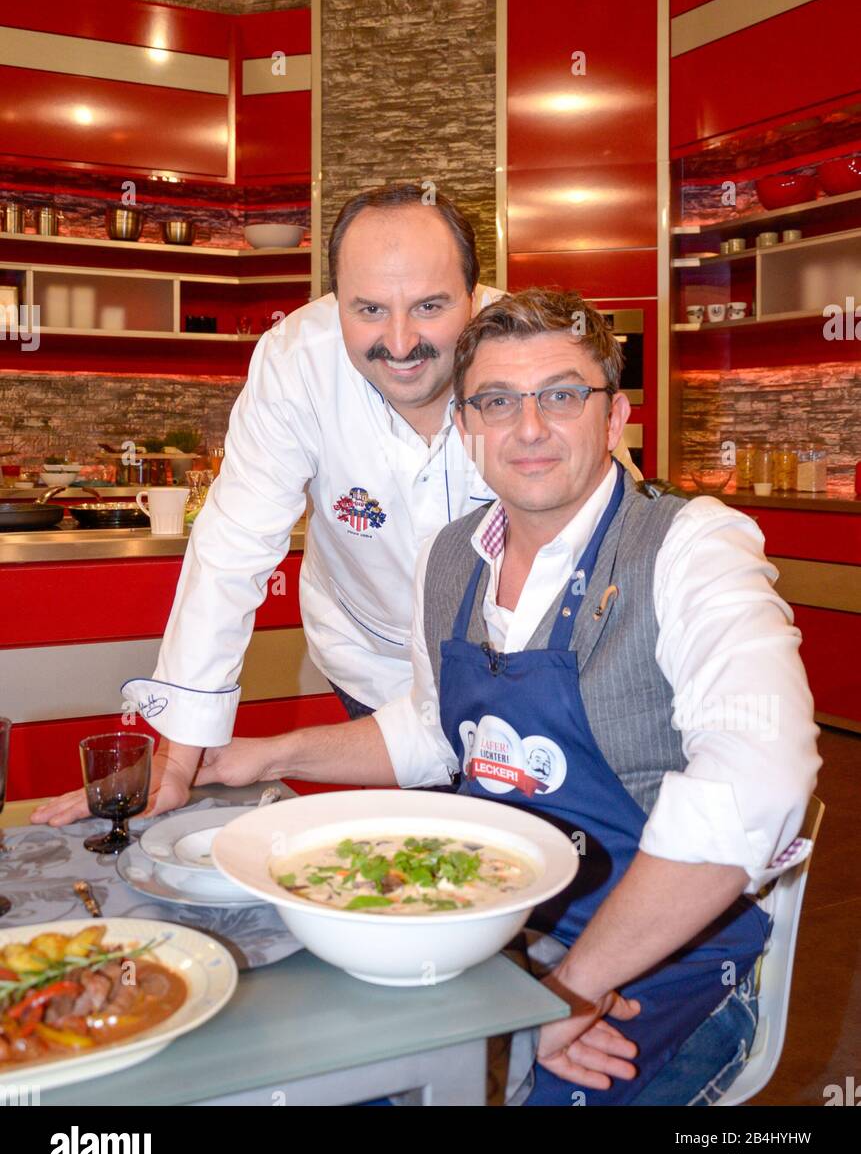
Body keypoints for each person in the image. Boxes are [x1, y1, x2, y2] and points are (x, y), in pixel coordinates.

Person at [188, 288, 820, 1105]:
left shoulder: (693, 545)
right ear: (464, 427)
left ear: (614, 415)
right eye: (496, 401)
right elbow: (435, 732)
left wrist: (570, 991)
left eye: (560, 395)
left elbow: (756, 785)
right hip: (491, 929)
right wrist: (268, 755)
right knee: (321, 1066)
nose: (527, 429)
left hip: (666, 958)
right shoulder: (449, 557)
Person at [32, 184, 638, 829]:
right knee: (427, 838)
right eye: (369, 309)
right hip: (371, 658)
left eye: (430, 306)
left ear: (474, 294)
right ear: (334, 299)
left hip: (525, 655)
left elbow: (614, 527)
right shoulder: (298, 362)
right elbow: (233, 548)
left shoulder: (524, 361)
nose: (400, 343)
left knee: (542, 837)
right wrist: (182, 754)